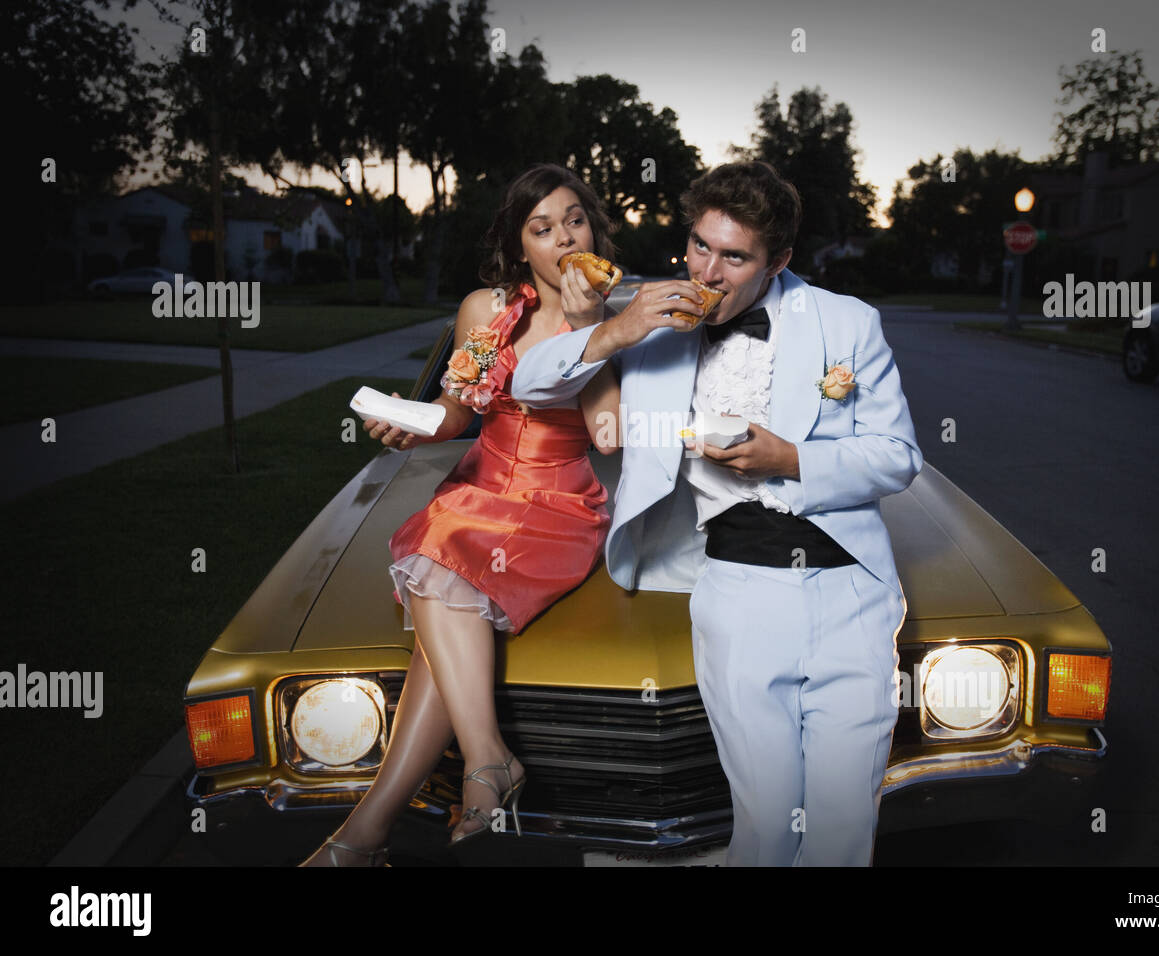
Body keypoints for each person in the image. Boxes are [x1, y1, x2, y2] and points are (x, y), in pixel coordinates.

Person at [511, 161, 923, 865]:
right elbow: (530, 380)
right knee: (765, 826)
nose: (709, 271)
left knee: (842, 830)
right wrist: (616, 329)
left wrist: (788, 458)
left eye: (735, 257)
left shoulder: (847, 323)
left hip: (851, 592)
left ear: (779, 261)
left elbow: (898, 456)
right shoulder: (647, 314)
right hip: (736, 589)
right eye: (701, 246)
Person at [300, 164, 620, 865]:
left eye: (575, 219)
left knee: (439, 551)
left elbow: (609, 434)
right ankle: (373, 832)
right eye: (542, 228)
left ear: (593, 227)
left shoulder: (614, 314)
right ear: (521, 247)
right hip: (481, 485)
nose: (564, 236)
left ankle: (473, 771)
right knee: (445, 572)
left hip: (559, 502)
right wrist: (414, 425)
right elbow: (457, 413)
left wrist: (594, 326)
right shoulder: (486, 310)